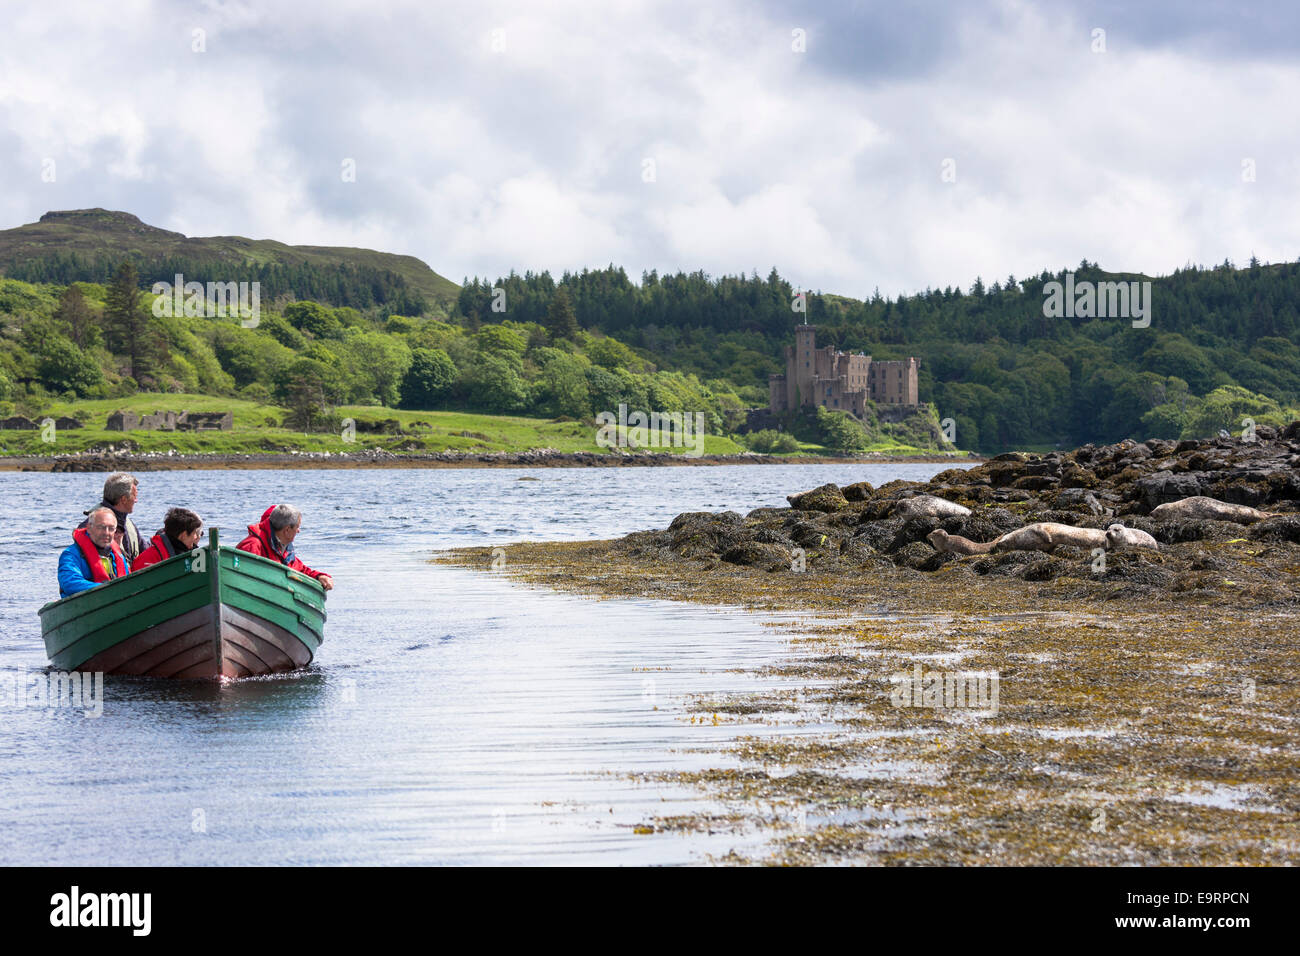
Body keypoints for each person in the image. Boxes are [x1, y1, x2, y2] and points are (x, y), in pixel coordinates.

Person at [237, 504, 334, 590]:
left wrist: (319, 576)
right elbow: (241, 580)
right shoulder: (252, 546)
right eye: (297, 527)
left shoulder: (284, 549)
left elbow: (300, 570)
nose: (298, 531)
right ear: (287, 530)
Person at [58, 506, 129, 598]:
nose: (106, 533)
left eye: (111, 528)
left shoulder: (119, 555)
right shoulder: (71, 555)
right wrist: (108, 588)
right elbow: (70, 583)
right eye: (101, 527)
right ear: (89, 528)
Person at [78, 472, 145, 564]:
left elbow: (146, 551)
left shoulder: (129, 525)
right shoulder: (88, 527)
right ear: (124, 499)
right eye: (135, 496)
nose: (136, 501)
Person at [132, 507, 204, 571]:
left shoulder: (188, 553)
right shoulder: (147, 559)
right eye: (195, 533)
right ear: (184, 535)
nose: (197, 537)